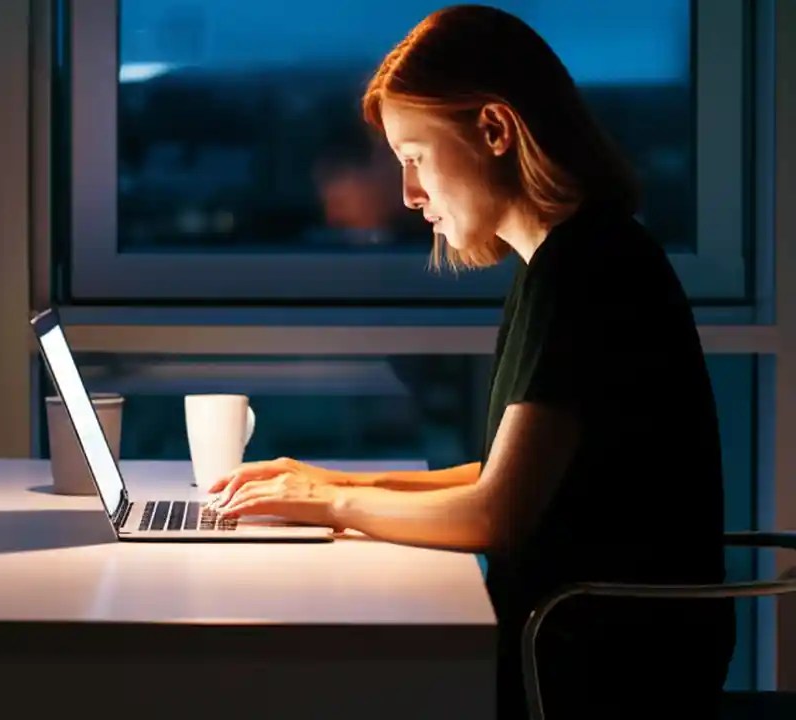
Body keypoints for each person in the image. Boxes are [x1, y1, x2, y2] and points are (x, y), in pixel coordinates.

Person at [206, 5, 735, 720]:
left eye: (416, 158)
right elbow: (501, 477)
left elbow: (496, 514)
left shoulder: (585, 272)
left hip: (595, 667)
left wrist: (328, 506)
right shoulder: (563, 262)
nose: (408, 195)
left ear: (493, 130)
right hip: (579, 640)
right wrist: (322, 478)